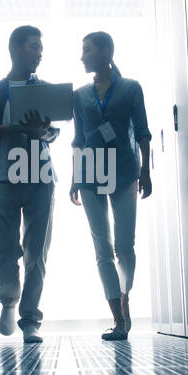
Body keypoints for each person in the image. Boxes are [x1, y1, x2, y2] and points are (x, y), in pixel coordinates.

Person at [0, 25, 60, 344]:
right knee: (5, 250)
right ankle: (9, 299)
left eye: (41, 47)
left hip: (41, 178)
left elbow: (53, 134)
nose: (40, 52)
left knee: (37, 252)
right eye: (35, 46)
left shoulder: (45, 89)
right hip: (4, 178)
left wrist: (39, 131)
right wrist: (9, 128)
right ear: (16, 49)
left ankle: (30, 320)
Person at [68, 31, 151, 341]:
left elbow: (142, 130)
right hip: (90, 174)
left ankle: (126, 300)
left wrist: (146, 171)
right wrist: (76, 176)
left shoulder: (131, 88)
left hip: (125, 170)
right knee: (102, 248)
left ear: (105, 52)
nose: (82, 56)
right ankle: (117, 319)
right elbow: (78, 139)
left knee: (124, 246)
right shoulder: (78, 96)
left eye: (87, 50)